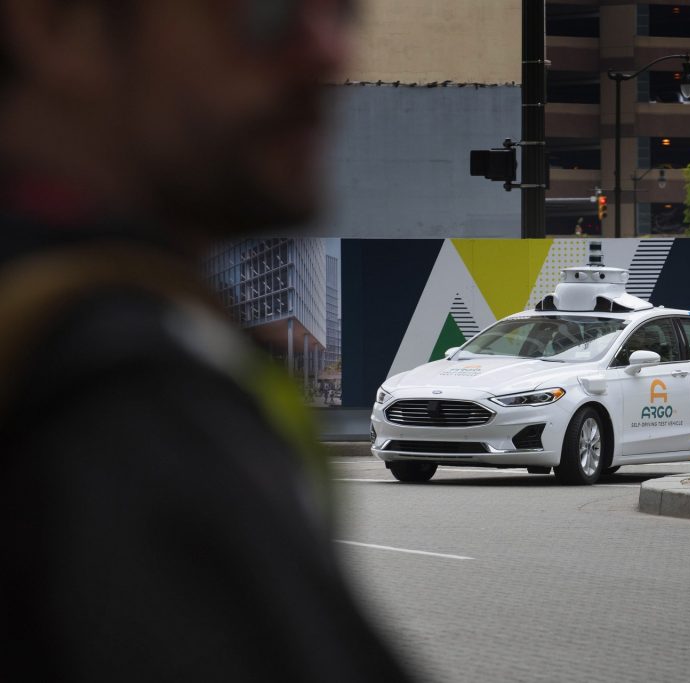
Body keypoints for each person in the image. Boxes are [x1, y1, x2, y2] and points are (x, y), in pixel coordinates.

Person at [0, 1, 413, 681]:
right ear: (57, 24)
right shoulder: (117, 398)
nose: (328, 48)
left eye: (341, 10)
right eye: (267, 12)